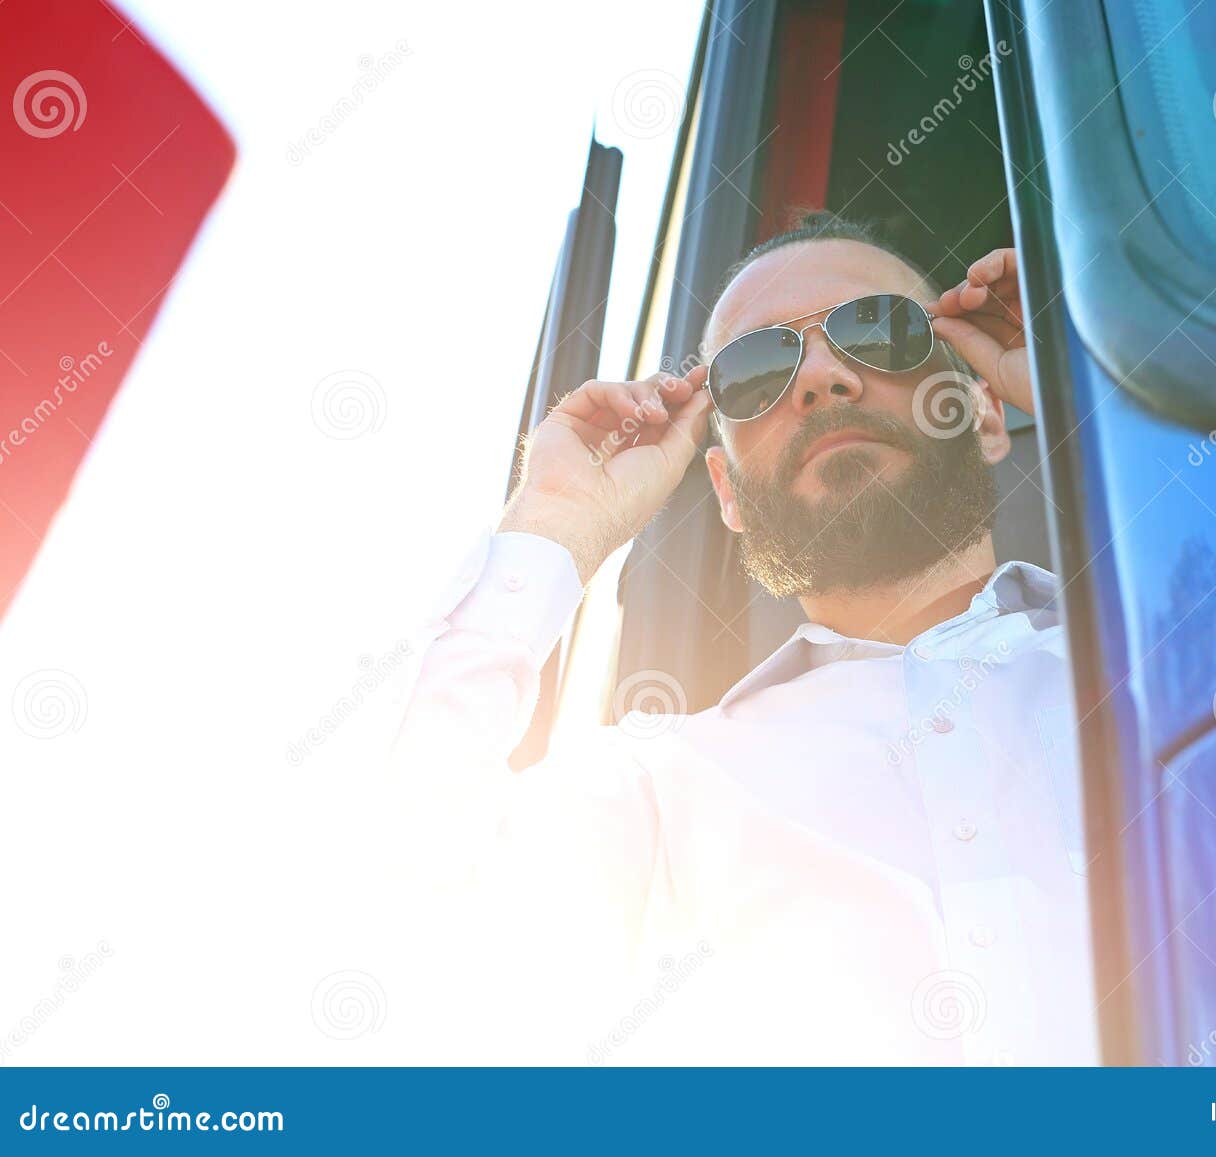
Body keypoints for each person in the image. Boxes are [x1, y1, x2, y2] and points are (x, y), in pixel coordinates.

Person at [394, 213, 1095, 1065]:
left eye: (878, 330)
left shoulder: (1191, 668)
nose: (825, 379)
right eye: (759, 369)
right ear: (725, 490)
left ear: (986, 413)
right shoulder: (664, 785)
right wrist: (552, 525)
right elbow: (415, 892)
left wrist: (1105, 381)